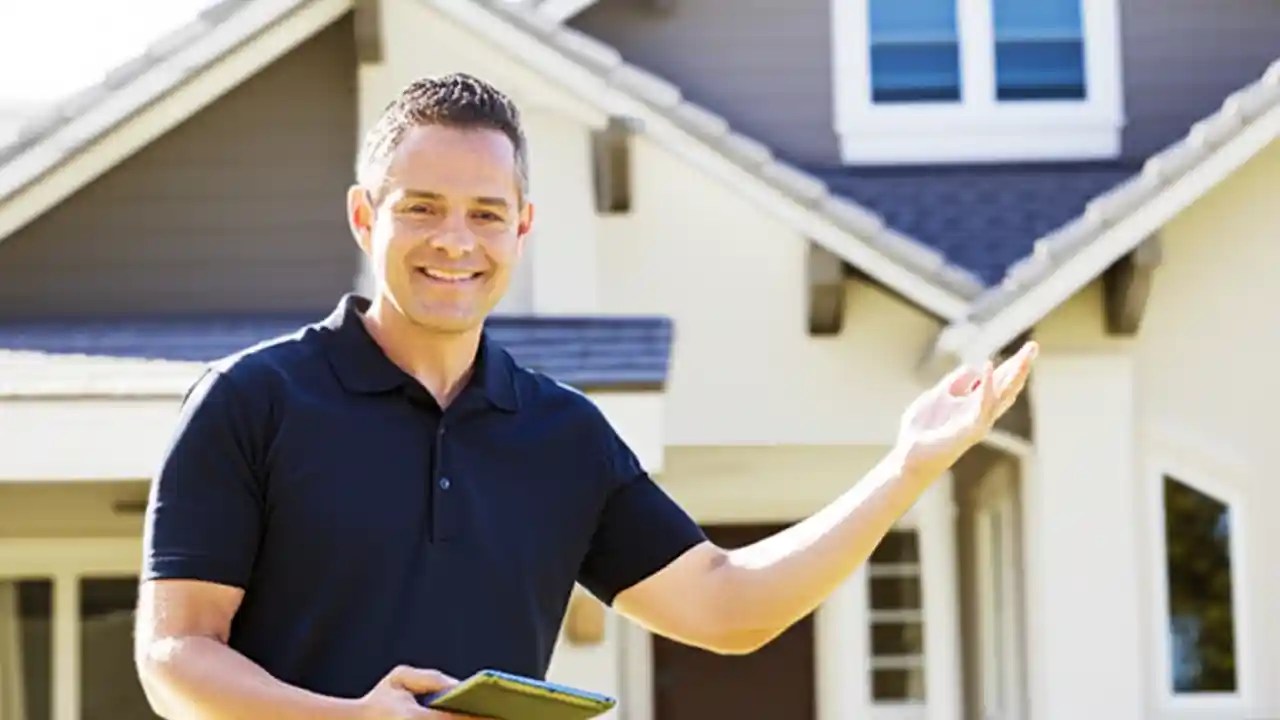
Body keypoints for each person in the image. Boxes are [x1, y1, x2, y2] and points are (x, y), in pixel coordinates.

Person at [133, 73, 1037, 720]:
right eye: (421, 207)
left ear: (522, 228)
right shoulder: (252, 401)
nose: (456, 240)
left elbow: (727, 609)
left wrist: (908, 467)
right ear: (366, 217)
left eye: (486, 212)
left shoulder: (561, 435)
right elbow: (175, 658)